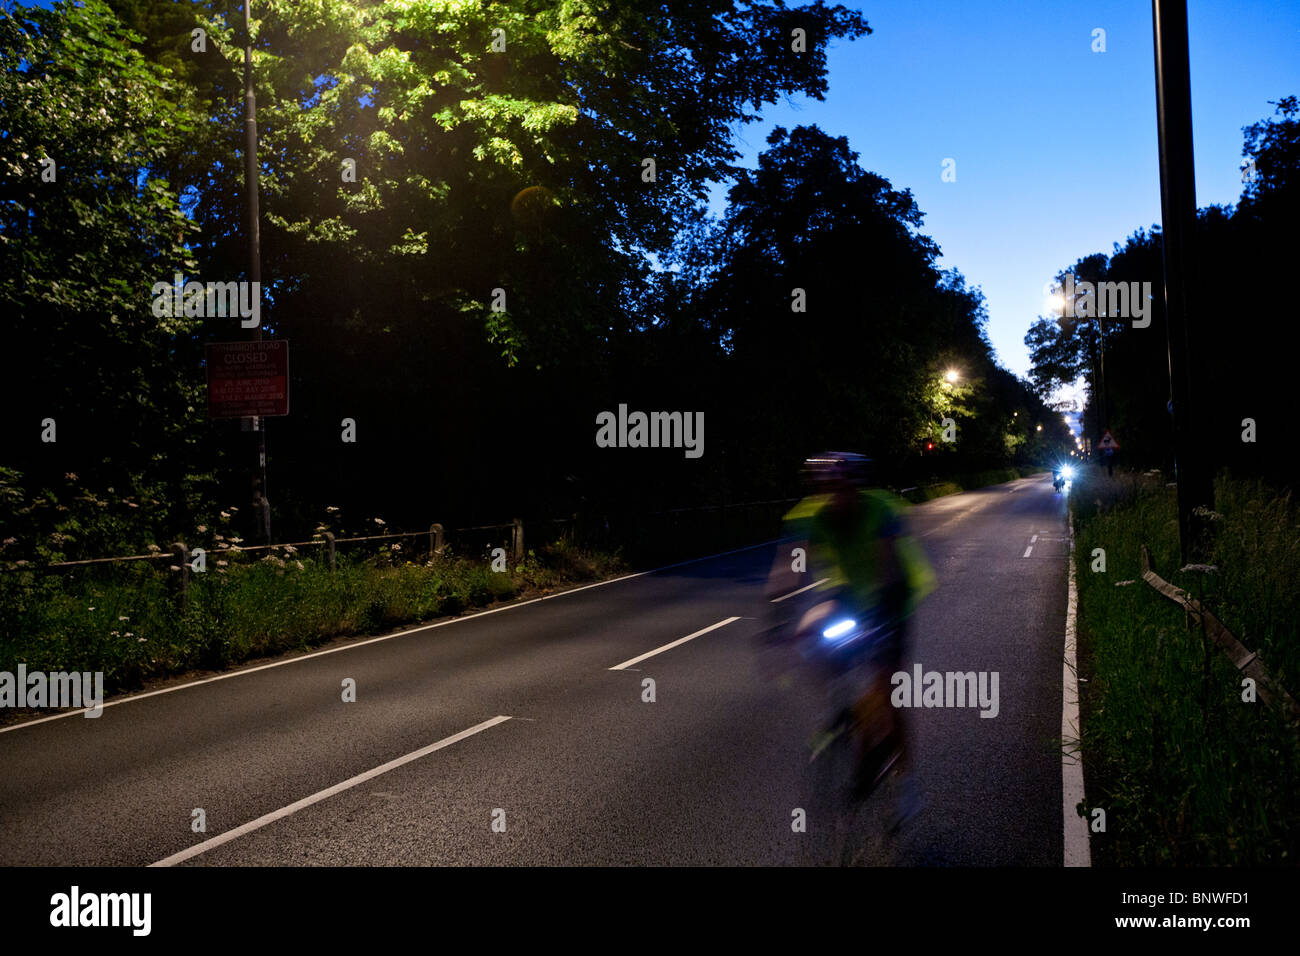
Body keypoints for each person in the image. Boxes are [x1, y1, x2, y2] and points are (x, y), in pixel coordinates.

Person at [766, 451, 935, 827]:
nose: (834, 498)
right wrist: (775, 625)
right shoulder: (813, 515)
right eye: (828, 490)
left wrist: (881, 624)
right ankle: (838, 708)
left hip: (895, 596)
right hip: (850, 595)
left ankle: (906, 785)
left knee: (886, 690)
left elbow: (888, 571)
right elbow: (789, 572)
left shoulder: (880, 511)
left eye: (842, 490)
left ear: (857, 489)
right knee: (809, 629)